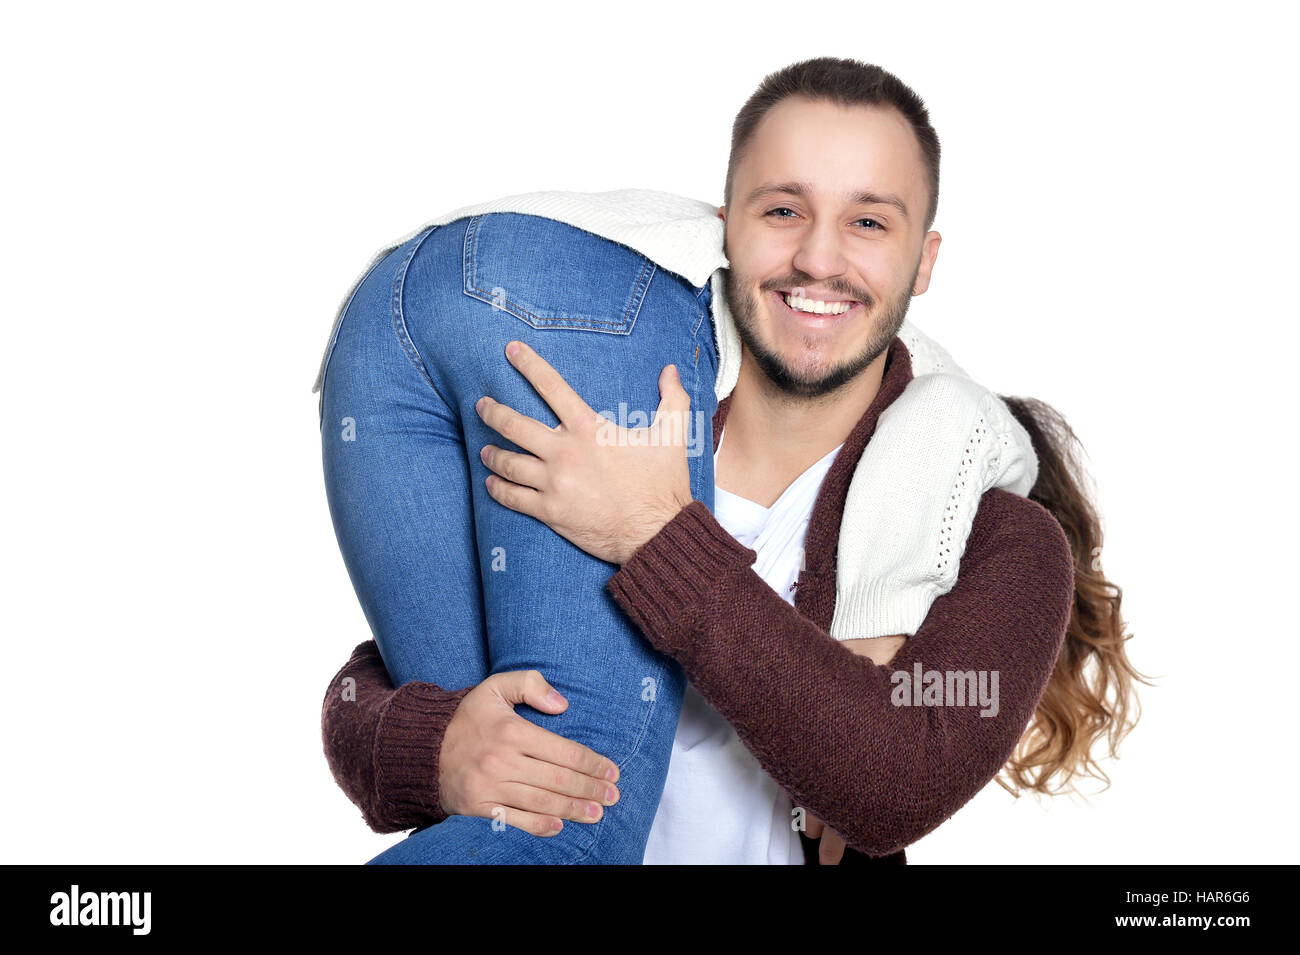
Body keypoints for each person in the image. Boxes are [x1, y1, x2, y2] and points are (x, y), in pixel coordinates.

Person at [317, 57, 1144, 864]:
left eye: (868, 222)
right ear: (722, 228)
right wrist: (430, 745)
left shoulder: (1001, 542)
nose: (819, 260)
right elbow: (371, 676)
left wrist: (653, 533)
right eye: (784, 211)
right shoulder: (615, 427)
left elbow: (901, 776)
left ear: (923, 261)